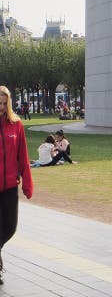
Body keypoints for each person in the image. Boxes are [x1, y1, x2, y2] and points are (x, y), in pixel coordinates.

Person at [0, 86, 33, 284]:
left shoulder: (16, 125)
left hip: (10, 186)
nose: (2, 107)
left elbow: (23, 157)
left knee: (10, 227)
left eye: (5, 103)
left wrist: (28, 184)